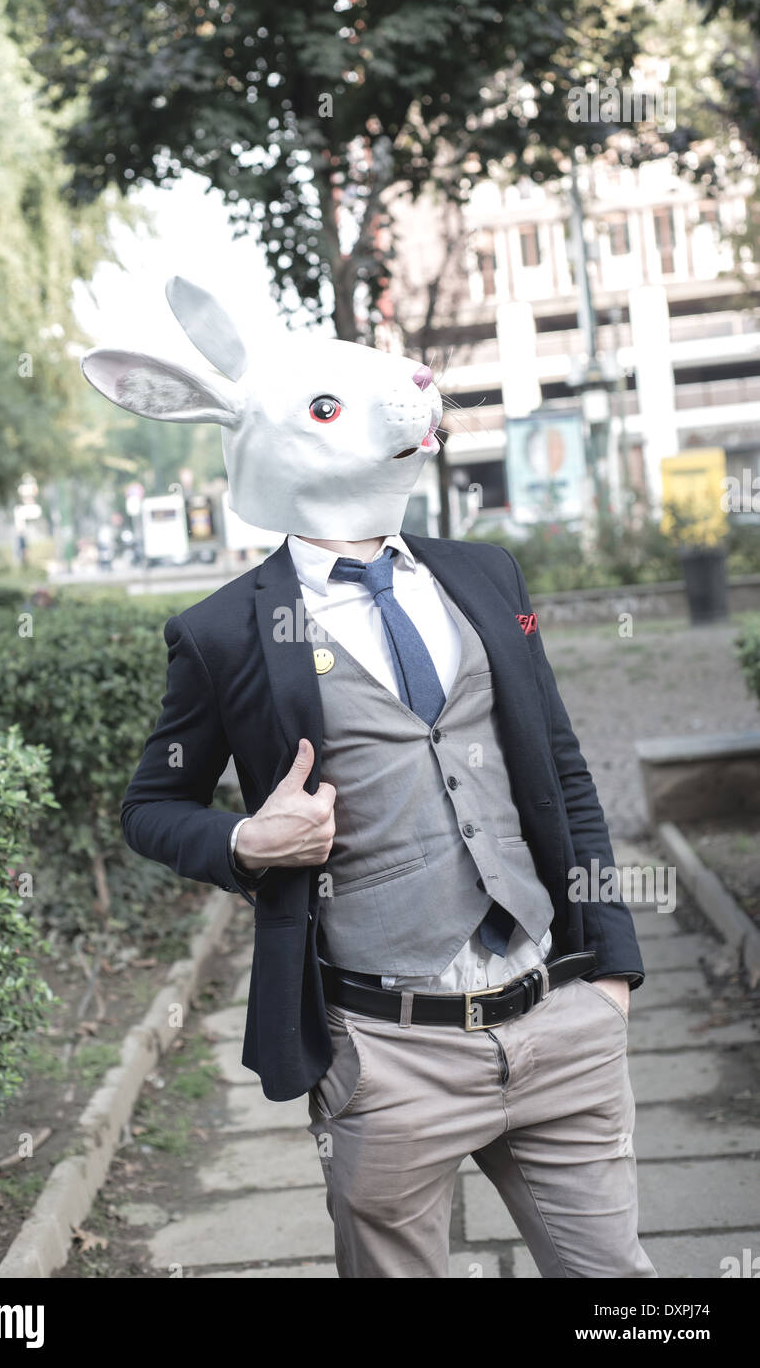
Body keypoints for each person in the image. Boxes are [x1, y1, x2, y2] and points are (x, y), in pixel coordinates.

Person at [83, 276, 655, 1279]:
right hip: (387, 1055)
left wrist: (609, 970)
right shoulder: (223, 632)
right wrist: (244, 841)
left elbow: (562, 769)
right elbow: (150, 806)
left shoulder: (486, 575)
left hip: (558, 1017)